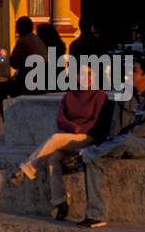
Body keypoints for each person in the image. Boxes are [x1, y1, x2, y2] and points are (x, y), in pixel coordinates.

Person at [74, 60, 145, 228]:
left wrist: (122, 137)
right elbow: (115, 123)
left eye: (134, 71)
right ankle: (95, 215)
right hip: (119, 143)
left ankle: (90, 152)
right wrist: (112, 140)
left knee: (118, 142)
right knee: (92, 161)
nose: (128, 74)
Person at [8, 65, 110, 221]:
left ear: (93, 77)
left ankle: (27, 168)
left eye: (88, 74)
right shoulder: (68, 96)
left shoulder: (99, 95)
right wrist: (72, 127)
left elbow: (98, 122)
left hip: (89, 138)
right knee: (52, 159)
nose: (84, 78)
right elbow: (61, 120)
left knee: (55, 139)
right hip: (69, 137)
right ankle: (60, 202)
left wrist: (80, 128)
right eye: (81, 74)